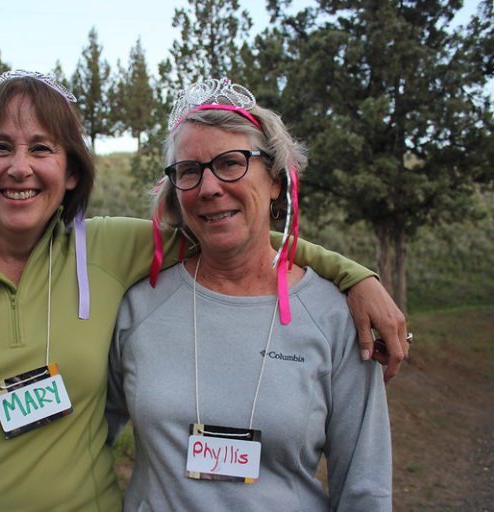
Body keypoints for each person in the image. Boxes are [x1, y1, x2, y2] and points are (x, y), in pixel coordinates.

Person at [0, 70, 404, 511]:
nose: (20, 168)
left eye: (41, 148)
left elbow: (236, 236)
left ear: (70, 173)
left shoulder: (108, 255)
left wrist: (355, 276)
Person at [107, 78, 394, 510]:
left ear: (276, 180)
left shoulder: (335, 317)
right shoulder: (140, 305)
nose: (208, 188)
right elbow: (86, 442)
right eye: (189, 171)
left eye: (230, 163)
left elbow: (364, 487)